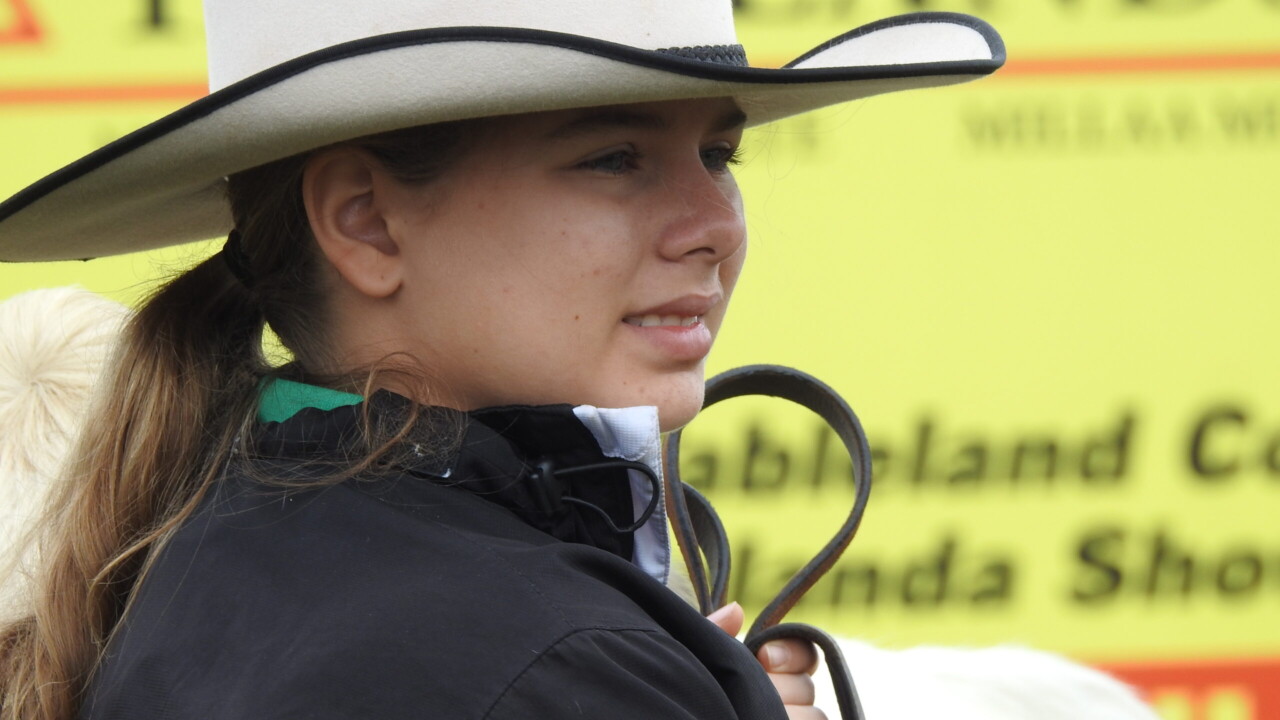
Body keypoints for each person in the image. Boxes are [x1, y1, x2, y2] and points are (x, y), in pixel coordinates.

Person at [0, 1, 1003, 718]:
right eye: (612, 158)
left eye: (718, 156)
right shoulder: (546, 662)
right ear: (366, 223)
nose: (711, 225)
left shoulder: (198, 563)